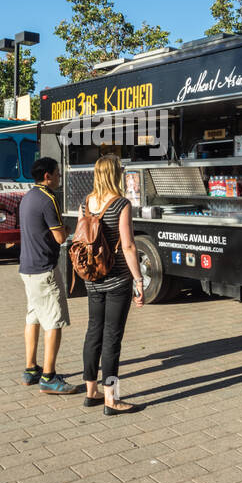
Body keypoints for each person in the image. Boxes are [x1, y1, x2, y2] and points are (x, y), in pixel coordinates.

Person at [81, 154, 145, 415]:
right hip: (117, 278)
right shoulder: (121, 204)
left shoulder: (87, 201)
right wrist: (139, 280)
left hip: (93, 277)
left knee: (93, 331)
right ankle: (111, 399)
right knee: (112, 338)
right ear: (116, 173)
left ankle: (90, 392)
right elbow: (128, 245)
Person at [18, 157, 80, 395]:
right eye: (57, 173)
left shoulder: (28, 197)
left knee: (33, 317)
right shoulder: (49, 199)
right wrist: (69, 229)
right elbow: (59, 238)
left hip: (27, 267)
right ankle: (49, 376)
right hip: (45, 269)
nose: (59, 177)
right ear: (47, 176)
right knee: (54, 321)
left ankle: (31, 368)